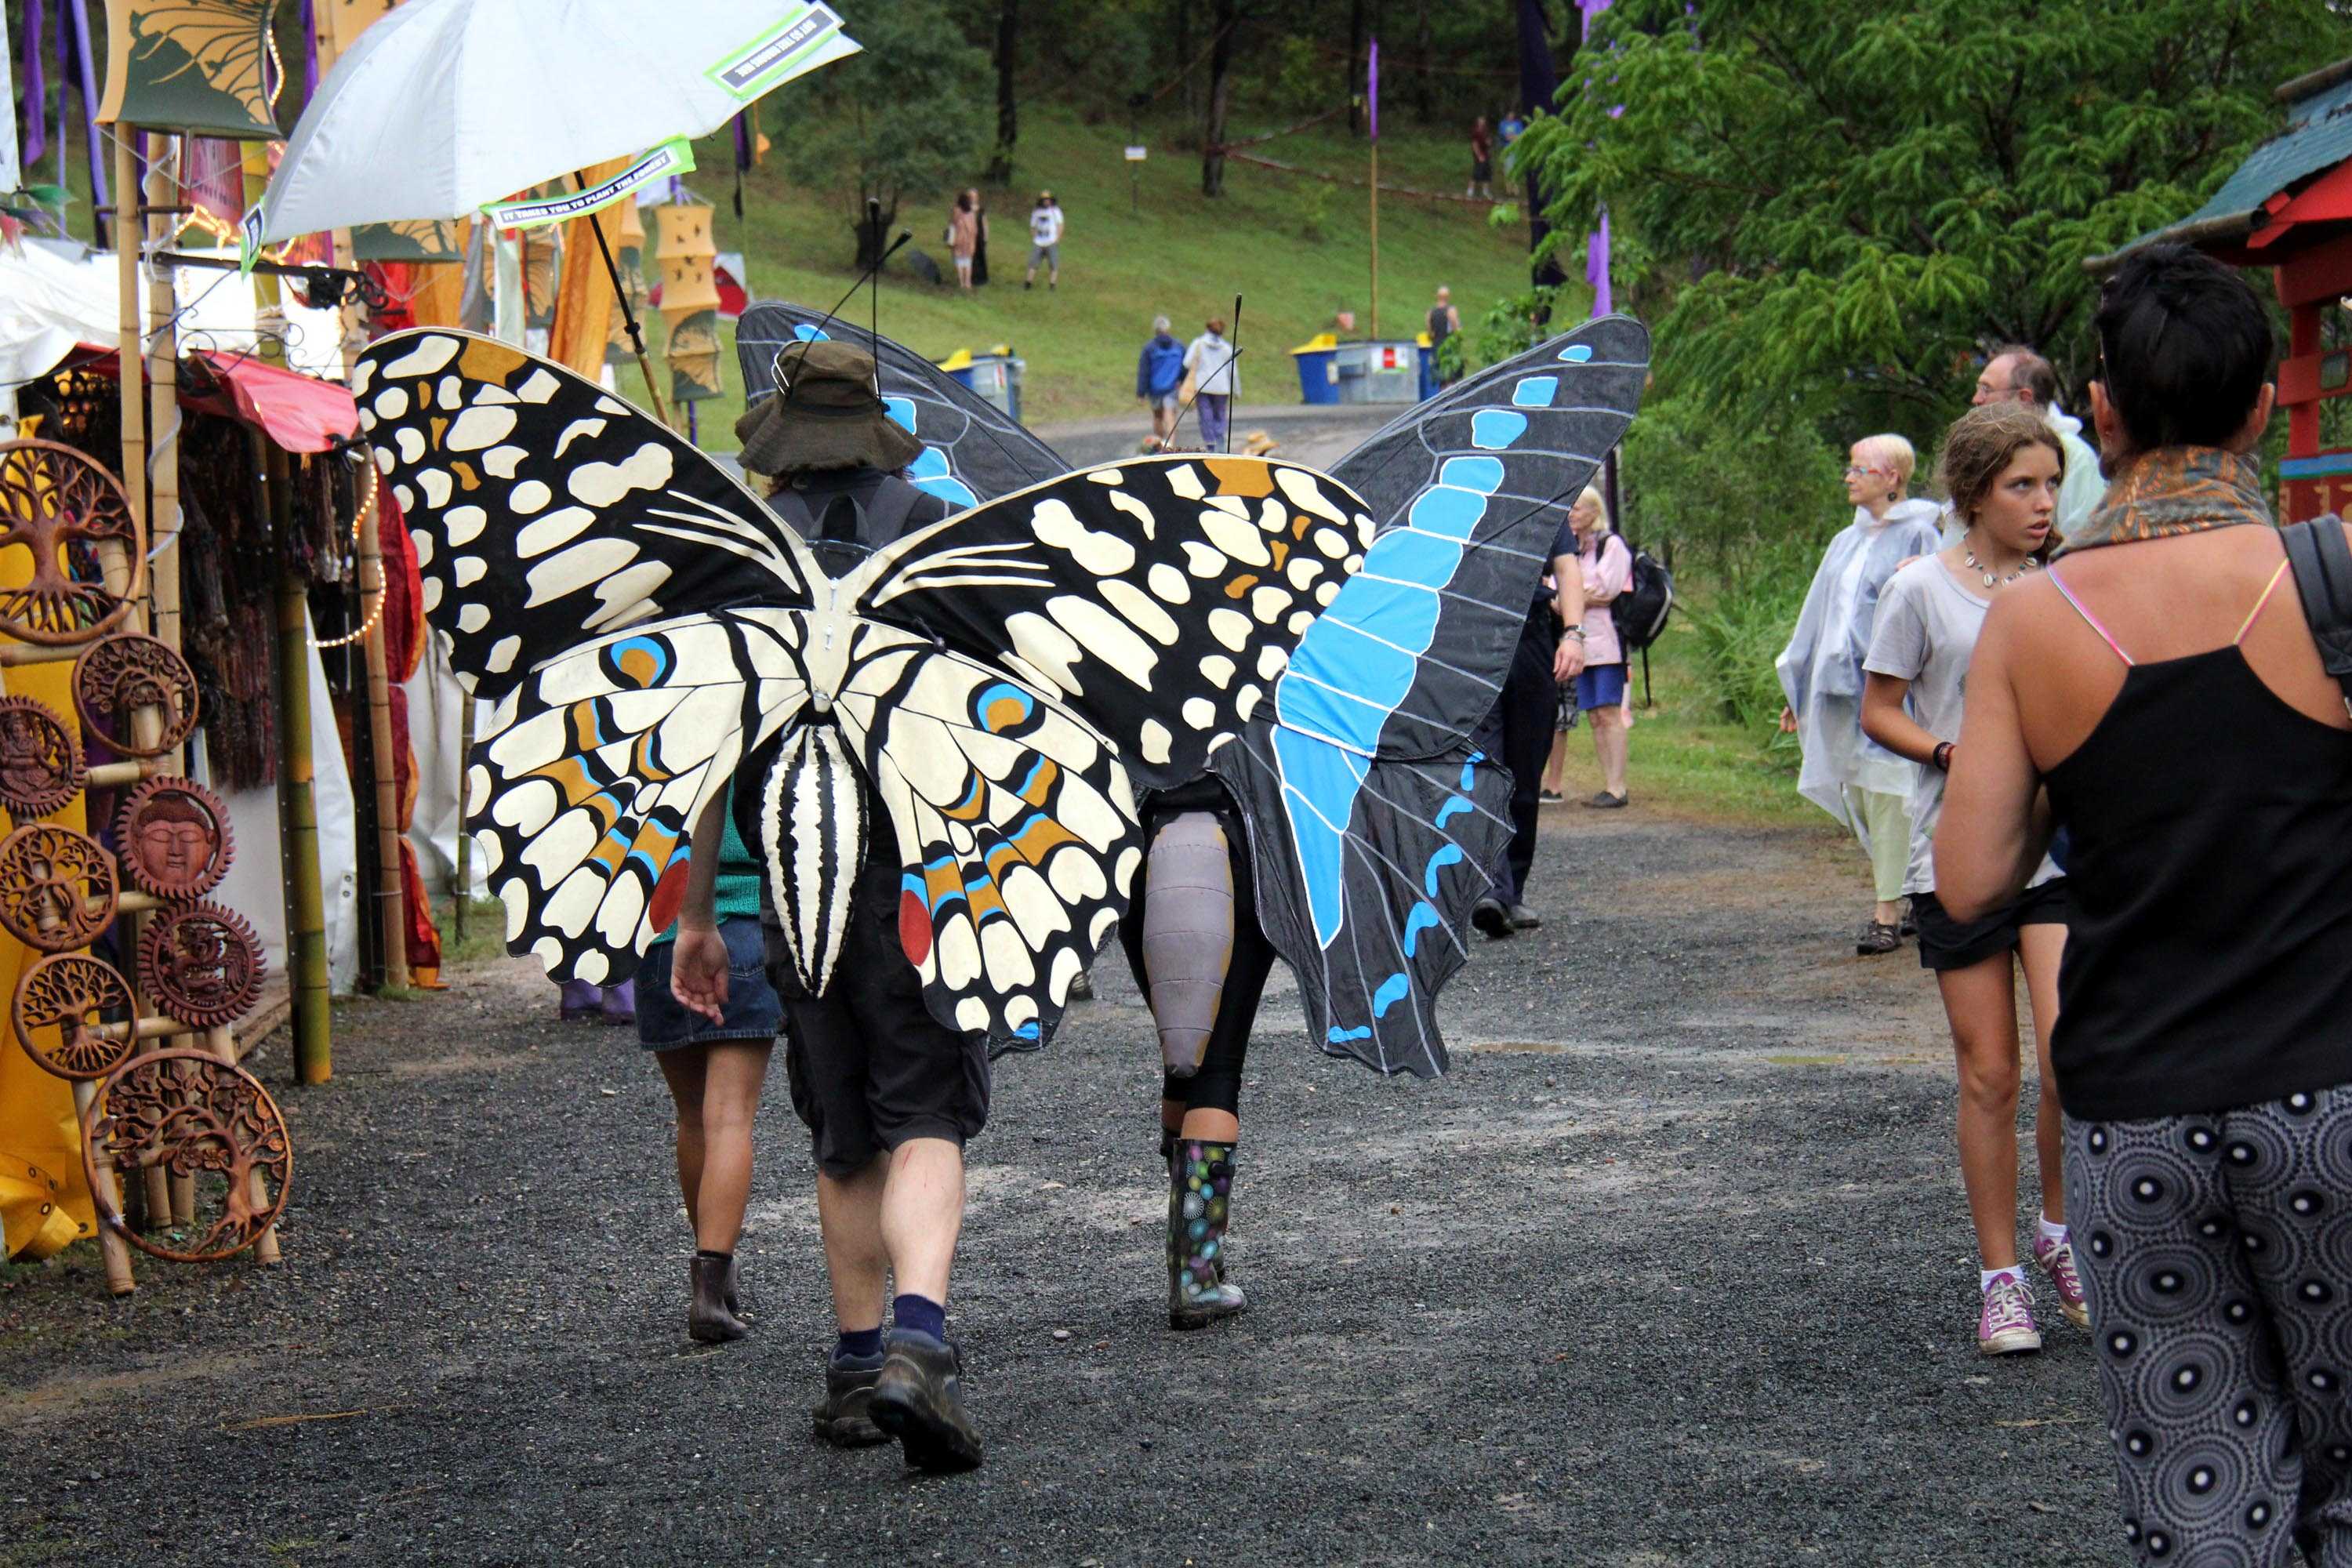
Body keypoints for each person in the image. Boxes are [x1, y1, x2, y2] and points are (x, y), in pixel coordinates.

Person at [1939, 242, 2352, 1567]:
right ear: (2263, 406)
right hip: (2335, 1101)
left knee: (2199, 1500)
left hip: (2138, 1126)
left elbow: (1970, 883)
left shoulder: (2032, 623)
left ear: (2101, 414)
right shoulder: (2338, 576)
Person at [682, 338, 984, 1472]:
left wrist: (702, 913)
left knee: (842, 1125)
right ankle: (917, 1343)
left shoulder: (745, 562)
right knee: (927, 1112)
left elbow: (710, 748)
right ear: (877, 431)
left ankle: (857, 1367)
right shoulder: (937, 546)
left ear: (782, 442)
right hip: (915, 877)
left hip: (791, 879)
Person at [1860, 401, 2077, 1358]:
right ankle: (2001, 1280)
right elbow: (1879, 709)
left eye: (2051, 483)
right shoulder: (1918, 588)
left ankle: (2063, 1233)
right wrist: (1951, 749)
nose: (2041, 503)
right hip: (1953, 850)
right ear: (1975, 491)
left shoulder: (2068, 582)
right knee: (1990, 1070)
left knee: (2075, 1054)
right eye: (2022, 484)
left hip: (2061, 847)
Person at [1774, 434, 1944, 955]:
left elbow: (1936, 605)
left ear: (1892, 477)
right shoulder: (1846, 541)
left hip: (1893, 690)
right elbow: (1819, 617)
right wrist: (1798, 692)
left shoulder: (1922, 533)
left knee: (1892, 792)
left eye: (1859, 469)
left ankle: (1886, 913)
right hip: (1838, 689)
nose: (1849, 477)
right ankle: (1913, 890)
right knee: (1860, 794)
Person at [633, 779, 784, 1348]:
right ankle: (711, 1285)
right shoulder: (761, 729)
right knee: (730, 1119)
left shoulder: (665, 741)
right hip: (744, 926)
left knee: (692, 1117)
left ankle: (711, 1274)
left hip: (660, 931)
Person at [1471, 505, 1584, 937]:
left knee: (1526, 767)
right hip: (1472, 637)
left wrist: (1573, 634)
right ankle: (1490, 889)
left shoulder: (1542, 499)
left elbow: (1568, 569)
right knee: (1485, 766)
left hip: (1532, 635)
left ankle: (1511, 889)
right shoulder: (1462, 498)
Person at [1972, 344, 2103, 541]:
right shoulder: (1980, 452)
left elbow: (2082, 541)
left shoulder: (2075, 456)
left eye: (1986, 389)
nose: (1976, 399)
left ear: (2024, 399)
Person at [1566, 485, 1634, 808]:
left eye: (1577, 508)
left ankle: (1618, 786)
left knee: (1609, 712)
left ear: (1594, 512)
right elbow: (1557, 589)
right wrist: (1574, 596)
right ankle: (1608, 783)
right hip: (1581, 642)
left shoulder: (1612, 545)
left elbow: (1606, 590)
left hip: (1607, 643)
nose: (1571, 514)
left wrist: (1571, 597)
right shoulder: (1575, 550)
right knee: (1593, 715)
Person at [1184, 317, 1238, 453]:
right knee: (1220, 414)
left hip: (1203, 385)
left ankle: (1210, 443)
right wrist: (1237, 390)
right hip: (1222, 387)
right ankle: (1220, 440)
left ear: (1207, 328)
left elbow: (1187, 362)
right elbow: (1233, 372)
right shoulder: (1226, 348)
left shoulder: (1198, 344)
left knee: (1205, 414)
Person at [1136, 314, 1185, 448]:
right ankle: (1170, 445)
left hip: (1155, 389)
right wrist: (1182, 380)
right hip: (1172, 387)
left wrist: (1141, 393)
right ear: (1168, 329)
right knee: (1170, 415)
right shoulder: (1178, 346)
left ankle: (1160, 445)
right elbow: (1184, 366)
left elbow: (1144, 371)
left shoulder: (1149, 348)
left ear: (1155, 330)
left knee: (1158, 416)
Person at [1025, 191, 1064, 289]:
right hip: (1039, 242)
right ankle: (1028, 283)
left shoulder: (1055, 211)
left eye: (1048, 200)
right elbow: (1033, 226)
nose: (1047, 202)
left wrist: (1057, 238)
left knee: (1053, 264)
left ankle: (1052, 285)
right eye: (1044, 200)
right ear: (1041, 201)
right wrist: (1034, 237)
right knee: (1033, 263)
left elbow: (1060, 225)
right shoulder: (1037, 211)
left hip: (1051, 241)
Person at [1428, 285, 1462, 387]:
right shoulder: (1451, 310)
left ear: (1437, 296)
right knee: (1451, 377)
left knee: (1440, 378)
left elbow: (1430, 332)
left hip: (1437, 346)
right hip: (1449, 348)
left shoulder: (1431, 312)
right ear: (1448, 297)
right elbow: (1456, 329)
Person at [947, 190, 978, 291]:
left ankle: (961, 283)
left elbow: (953, 223)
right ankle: (968, 282)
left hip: (958, 239)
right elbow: (974, 229)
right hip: (969, 240)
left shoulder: (957, 211)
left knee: (959, 261)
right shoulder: (972, 214)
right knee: (968, 261)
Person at [964, 187, 991, 287]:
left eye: (975, 196)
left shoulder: (981, 210)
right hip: (967, 237)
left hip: (979, 237)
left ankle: (980, 279)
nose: (973, 198)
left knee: (980, 258)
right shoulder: (964, 209)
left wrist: (986, 237)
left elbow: (985, 224)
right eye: (971, 196)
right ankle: (968, 279)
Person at [1468, 115, 1494, 201]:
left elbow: (1489, 143)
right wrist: (1479, 156)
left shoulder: (1486, 131)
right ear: (1478, 122)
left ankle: (1485, 191)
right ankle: (1470, 191)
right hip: (1479, 155)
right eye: (1481, 121)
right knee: (1477, 173)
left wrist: (1489, 143)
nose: (1482, 122)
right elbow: (1474, 145)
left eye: (1483, 121)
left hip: (1486, 155)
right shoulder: (1476, 132)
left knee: (1487, 173)